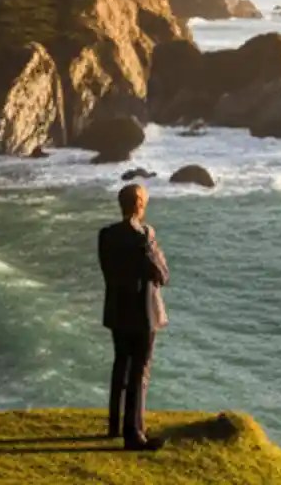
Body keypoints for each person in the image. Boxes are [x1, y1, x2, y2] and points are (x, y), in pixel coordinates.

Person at [97, 184, 170, 452]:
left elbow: (108, 270)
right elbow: (162, 274)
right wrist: (150, 247)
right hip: (142, 313)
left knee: (121, 365)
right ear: (139, 203)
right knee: (140, 371)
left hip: (117, 309)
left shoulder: (106, 235)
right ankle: (134, 434)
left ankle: (114, 425)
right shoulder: (145, 234)